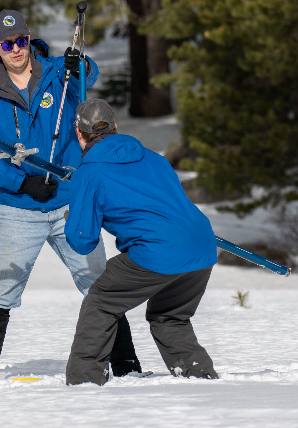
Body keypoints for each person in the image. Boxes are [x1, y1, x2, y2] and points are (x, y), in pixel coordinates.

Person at [0, 10, 143, 382]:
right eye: (7, 44)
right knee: (3, 288)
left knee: (98, 284)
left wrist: (80, 62)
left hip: (71, 204)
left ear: (29, 39)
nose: (16, 49)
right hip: (19, 209)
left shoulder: (60, 73)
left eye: (21, 40)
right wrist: (19, 182)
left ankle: (125, 365)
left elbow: (89, 75)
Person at [63, 99, 219, 386]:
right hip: (202, 247)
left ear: (79, 132)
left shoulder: (89, 172)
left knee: (100, 302)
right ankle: (198, 375)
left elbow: (82, 239)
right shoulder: (155, 158)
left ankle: (84, 380)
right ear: (116, 127)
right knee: (169, 316)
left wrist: (73, 214)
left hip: (157, 252)